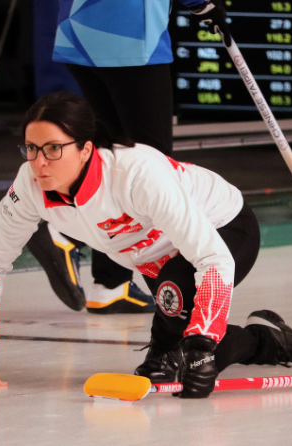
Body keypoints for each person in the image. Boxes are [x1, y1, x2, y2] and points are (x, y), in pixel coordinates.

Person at [0, 92, 292, 398]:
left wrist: (202, 343)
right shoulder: (29, 187)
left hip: (224, 228)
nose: (39, 163)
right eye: (31, 149)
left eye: (52, 149)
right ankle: (268, 340)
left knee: (188, 337)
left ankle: (248, 341)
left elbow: (212, 257)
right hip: (156, 259)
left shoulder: (136, 174)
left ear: (85, 149)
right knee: (175, 357)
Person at [26, 0, 233, 314]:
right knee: (154, 168)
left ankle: (110, 283)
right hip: (129, 31)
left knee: (112, 158)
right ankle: (65, 233)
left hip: (77, 29)